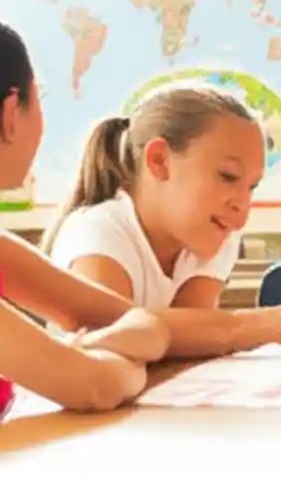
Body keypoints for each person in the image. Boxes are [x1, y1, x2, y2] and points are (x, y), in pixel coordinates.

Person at [0, 22, 281, 418]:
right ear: (11, 112)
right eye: (40, 97)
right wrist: (122, 349)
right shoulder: (100, 227)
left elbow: (136, 325)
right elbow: (96, 381)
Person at [43, 85, 263, 311]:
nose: (241, 207)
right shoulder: (97, 231)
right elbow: (117, 329)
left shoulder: (214, 229)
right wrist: (247, 324)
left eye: (252, 187)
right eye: (228, 176)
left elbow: (192, 327)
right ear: (160, 160)